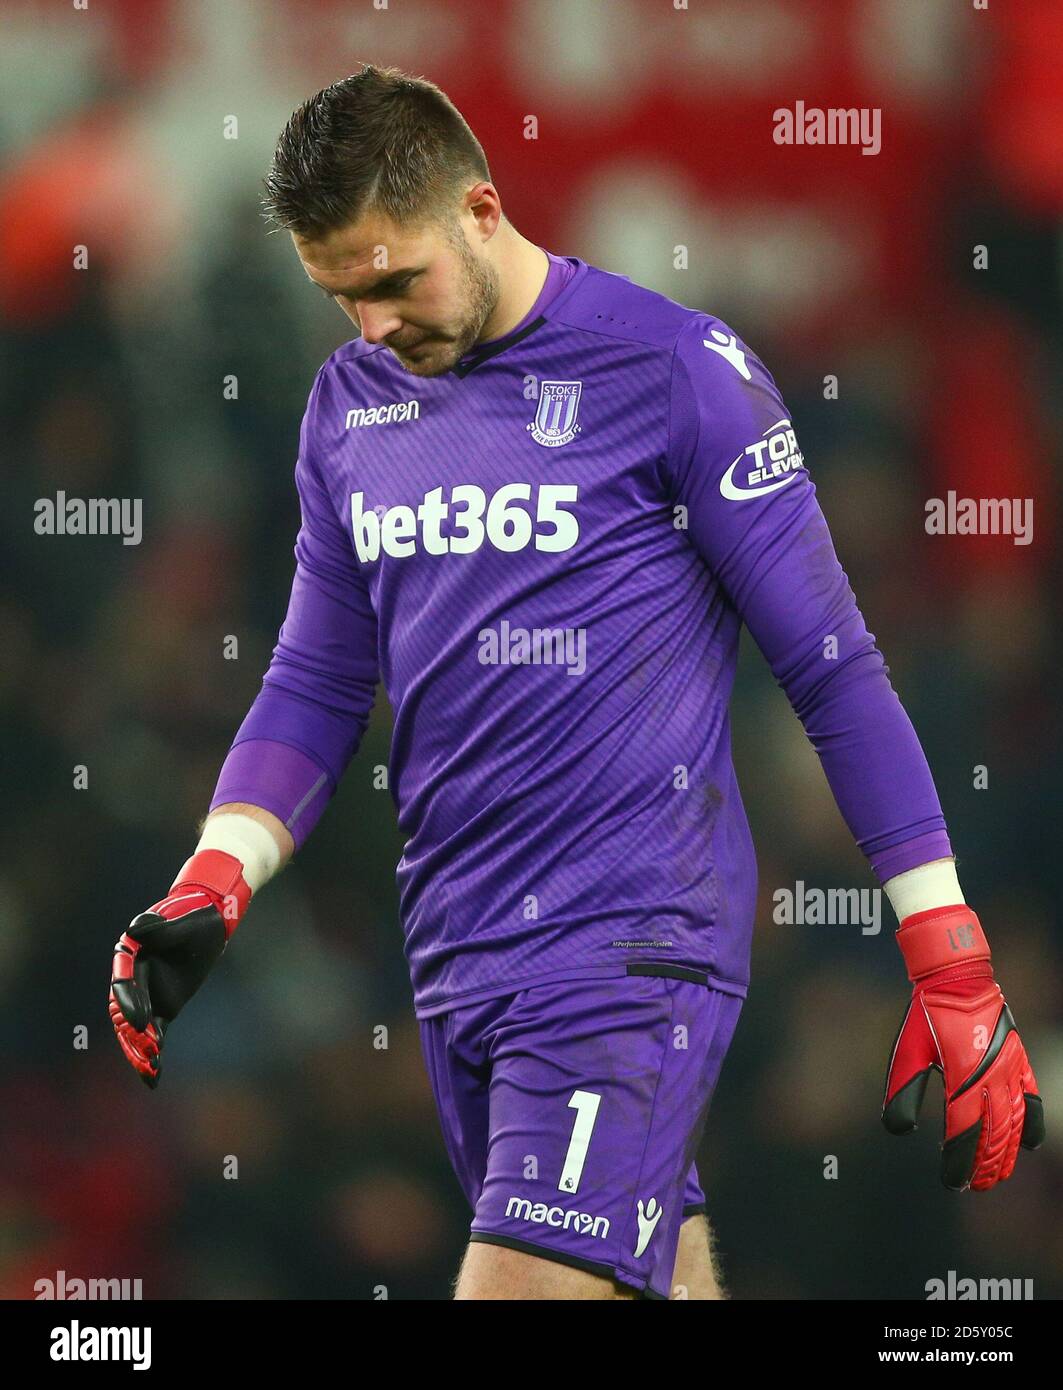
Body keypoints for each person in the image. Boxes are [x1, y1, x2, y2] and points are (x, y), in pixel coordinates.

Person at [109, 65, 1044, 1301]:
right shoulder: (347, 406)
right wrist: (217, 869)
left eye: (395, 282)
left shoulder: (676, 369)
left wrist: (946, 944)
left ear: (481, 211)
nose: (374, 327)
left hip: (631, 946)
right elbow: (316, 678)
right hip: (456, 951)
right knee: (654, 1279)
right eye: (342, 297)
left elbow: (834, 669)